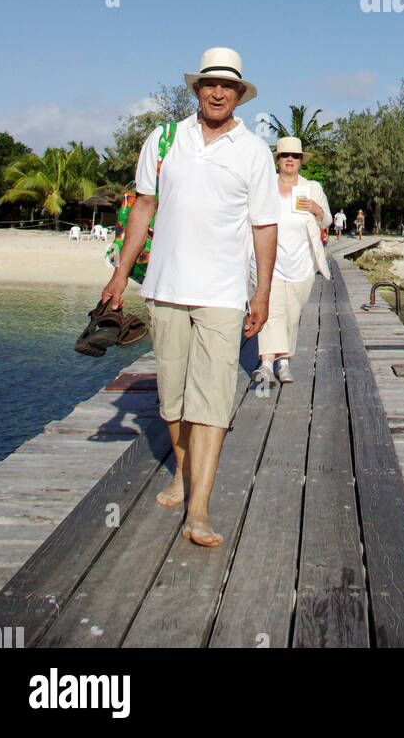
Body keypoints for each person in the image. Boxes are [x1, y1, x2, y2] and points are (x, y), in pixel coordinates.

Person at [100, 47, 279, 548]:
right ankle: (182, 475)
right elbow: (143, 209)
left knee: (213, 401)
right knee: (172, 400)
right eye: (209, 84)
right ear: (196, 89)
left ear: (240, 95)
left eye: (228, 86)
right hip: (164, 289)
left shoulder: (254, 151)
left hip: (223, 294)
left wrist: (261, 292)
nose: (218, 92)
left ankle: (199, 508)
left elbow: (265, 226)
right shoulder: (164, 139)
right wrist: (119, 277)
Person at [253, 136, 331, 386]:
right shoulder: (265, 187)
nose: (290, 160)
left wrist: (317, 210)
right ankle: (266, 364)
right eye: (285, 155)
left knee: (291, 315)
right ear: (277, 160)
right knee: (270, 311)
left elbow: (326, 220)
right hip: (270, 262)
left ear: (300, 161)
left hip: (302, 264)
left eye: (295, 156)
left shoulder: (311, 188)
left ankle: (284, 361)